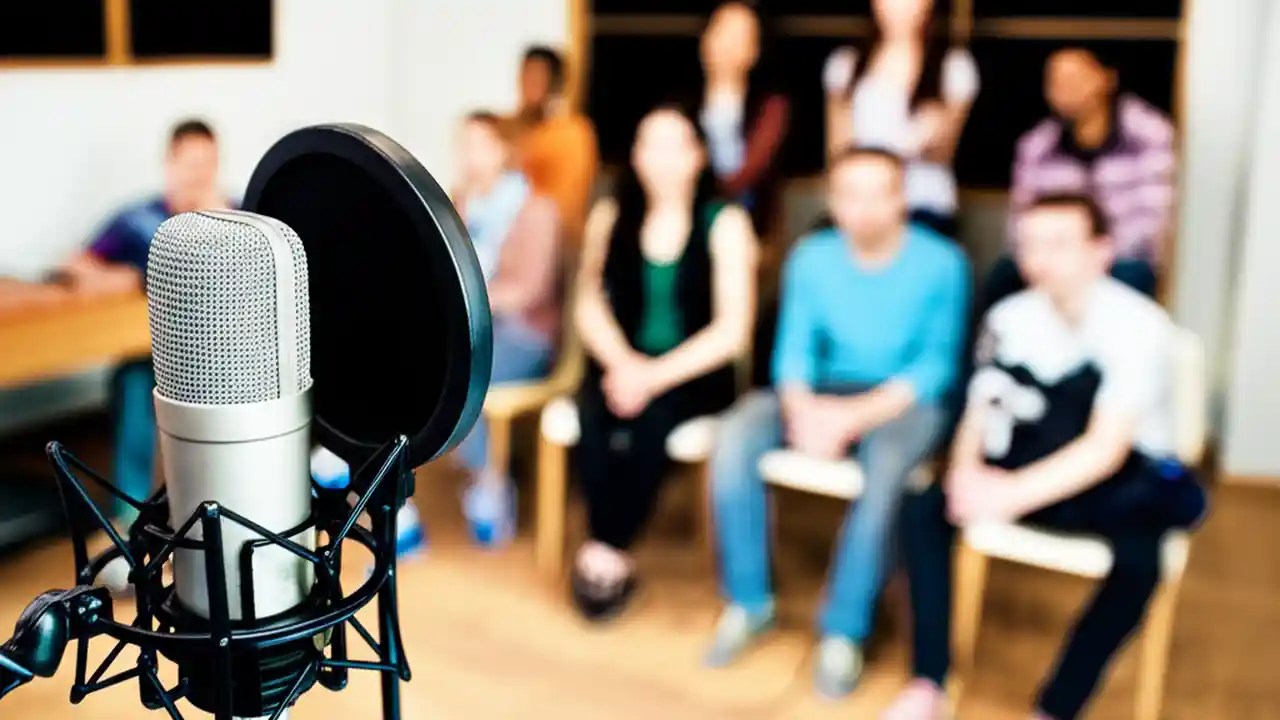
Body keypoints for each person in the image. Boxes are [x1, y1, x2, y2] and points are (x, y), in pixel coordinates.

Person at [883, 194, 1207, 720]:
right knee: (923, 508)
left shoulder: (1140, 326)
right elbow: (981, 408)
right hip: (1028, 456)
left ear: (1102, 250)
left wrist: (1008, 495)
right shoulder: (1010, 317)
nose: (1041, 258)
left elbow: (1106, 449)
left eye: (1059, 243)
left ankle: (1058, 706)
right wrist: (965, 474)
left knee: (1138, 562)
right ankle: (928, 682)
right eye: (1029, 244)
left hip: (1118, 480)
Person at [705, 147, 971, 698]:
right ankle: (749, 600)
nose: (866, 208)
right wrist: (803, 409)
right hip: (819, 391)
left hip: (901, 400)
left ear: (903, 198)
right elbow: (793, 350)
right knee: (732, 435)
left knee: (888, 468)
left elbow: (934, 367)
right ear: (833, 201)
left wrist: (849, 419)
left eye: (881, 192)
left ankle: (844, 630)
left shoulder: (944, 263)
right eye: (851, 193)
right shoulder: (812, 257)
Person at [570, 102, 758, 620]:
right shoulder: (612, 215)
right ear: (635, 156)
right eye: (649, 144)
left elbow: (732, 332)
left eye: (677, 145)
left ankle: (607, 547)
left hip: (695, 371)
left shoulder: (725, 222)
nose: (662, 159)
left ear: (698, 156)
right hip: (623, 359)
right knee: (595, 411)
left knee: (650, 417)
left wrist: (650, 376)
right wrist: (622, 362)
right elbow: (588, 302)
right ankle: (607, 546)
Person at [58, 119, 231, 523]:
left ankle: (215, 511)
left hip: (216, 354)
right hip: (151, 352)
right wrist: (122, 279)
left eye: (207, 163)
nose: (198, 174)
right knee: (133, 381)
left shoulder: (233, 215)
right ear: (170, 163)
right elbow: (74, 266)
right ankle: (130, 519)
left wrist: (216, 212)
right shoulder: (136, 220)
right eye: (190, 163)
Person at [982, 48, 1176, 312]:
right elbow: (1021, 217)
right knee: (1002, 277)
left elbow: (1153, 220)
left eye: (1074, 77)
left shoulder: (1148, 134)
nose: (1063, 88)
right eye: (1054, 81)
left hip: (1118, 257)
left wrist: (1092, 259)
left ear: (1106, 78)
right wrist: (1043, 257)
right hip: (1050, 255)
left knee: (1133, 275)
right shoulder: (1038, 144)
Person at [451, 112, 562, 547]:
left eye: (481, 144)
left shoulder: (536, 208)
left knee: (467, 376)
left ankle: (490, 484)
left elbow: (531, 289)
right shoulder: (457, 204)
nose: (470, 156)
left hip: (524, 333)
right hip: (476, 329)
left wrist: (466, 304)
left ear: (504, 151)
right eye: (464, 144)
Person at [824, 0, 978, 237]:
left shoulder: (954, 66)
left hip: (924, 202)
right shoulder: (845, 64)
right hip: (857, 202)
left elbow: (943, 152)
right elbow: (837, 148)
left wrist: (927, 139)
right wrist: (907, 143)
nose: (899, 6)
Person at [697, 1, 790, 237]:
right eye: (722, 31)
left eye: (740, 36)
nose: (728, 45)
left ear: (755, 50)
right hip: (689, 224)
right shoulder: (682, 106)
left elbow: (751, 170)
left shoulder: (770, 108)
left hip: (751, 224)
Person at [515, 46, 599, 249]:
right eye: (526, 77)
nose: (530, 85)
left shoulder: (572, 134)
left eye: (538, 78)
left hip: (552, 243)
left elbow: (569, 204)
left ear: (555, 84)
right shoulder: (511, 130)